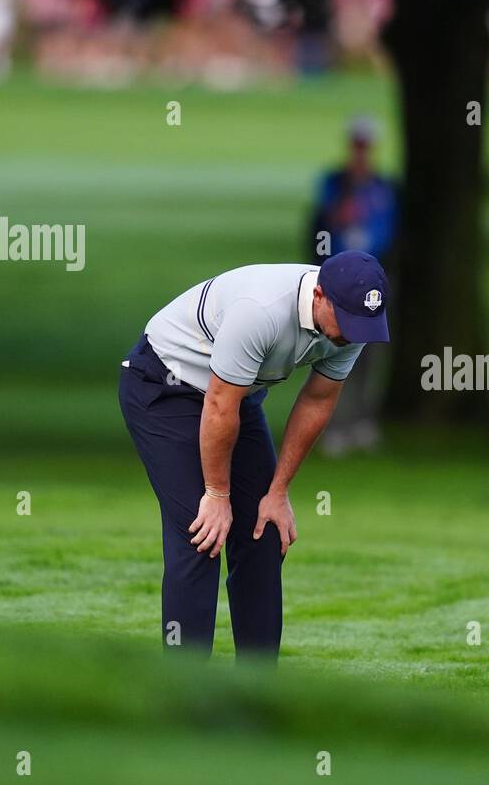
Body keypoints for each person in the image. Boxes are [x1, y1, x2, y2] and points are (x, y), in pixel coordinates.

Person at [118, 250, 389, 658]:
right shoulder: (260, 311)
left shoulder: (351, 327)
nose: (353, 334)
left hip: (233, 397)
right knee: (202, 534)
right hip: (163, 387)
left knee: (266, 533)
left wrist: (277, 493)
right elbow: (218, 406)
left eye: (363, 325)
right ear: (320, 296)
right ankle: (184, 694)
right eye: (348, 321)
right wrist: (217, 495)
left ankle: (258, 690)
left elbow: (317, 402)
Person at [309, 116, 398, 453]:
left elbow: (391, 232)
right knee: (335, 353)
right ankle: (335, 427)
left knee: (371, 353)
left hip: (374, 281)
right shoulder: (335, 183)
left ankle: (363, 422)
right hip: (337, 283)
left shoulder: (383, 188)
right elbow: (323, 222)